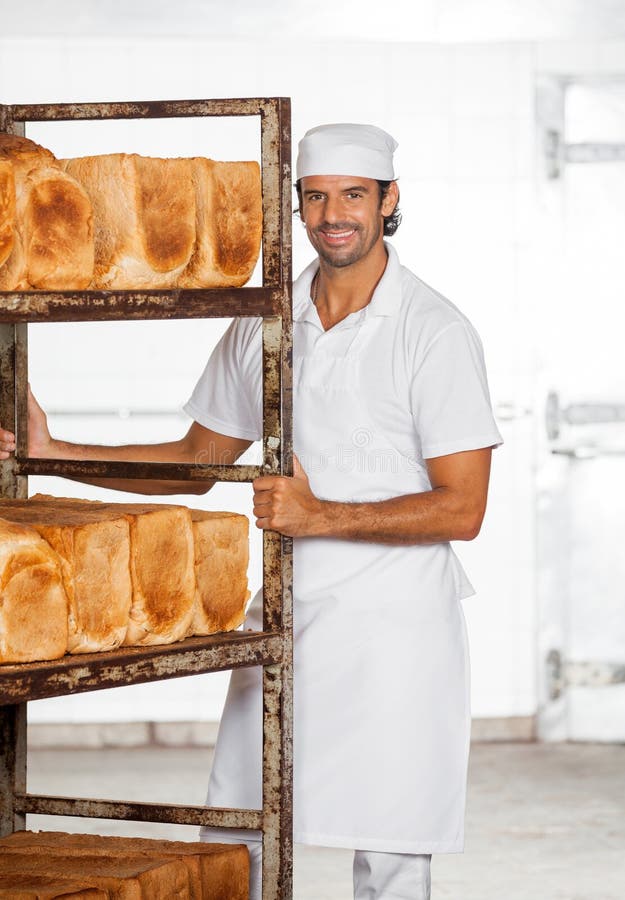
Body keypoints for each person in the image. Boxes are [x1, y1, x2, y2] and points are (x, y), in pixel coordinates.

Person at [0, 123, 502, 900]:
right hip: (286, 616)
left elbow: (463, 507)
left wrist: (321, 515)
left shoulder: (432, 331)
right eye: (315, 196)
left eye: (353, 196)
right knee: (240, 826)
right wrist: (51, 447)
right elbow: (194, 464)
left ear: (388, 201)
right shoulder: (266, 321)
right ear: (297, 206)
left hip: (398, 626)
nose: (334, 213)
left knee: (393, 847)